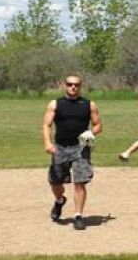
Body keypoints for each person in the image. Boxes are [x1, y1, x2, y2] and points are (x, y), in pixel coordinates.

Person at [43, 75, 102, 231]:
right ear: (64, 85)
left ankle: (78, 216)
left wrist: (90, 133)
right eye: (70, 84)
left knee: (80, 182)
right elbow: (47, 125)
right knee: (56, 181)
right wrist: (48, 142)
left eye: (76, 85)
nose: (73, 87)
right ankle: (60, 200)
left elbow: (98, 125)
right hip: (60, 147)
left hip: (81, 148)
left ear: (80, 86)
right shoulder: (55, 104)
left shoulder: (89, 105)